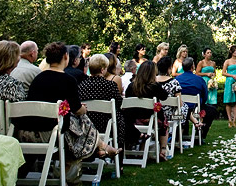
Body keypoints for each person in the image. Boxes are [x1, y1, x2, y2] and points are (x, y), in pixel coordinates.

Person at [14, 41, 119, 183]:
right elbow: (77, 110)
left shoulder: (38, 78)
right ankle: (99, 149)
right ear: (65, 57)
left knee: (74, 126)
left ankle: (100, 147)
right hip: (50, 133)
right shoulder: (68, 80)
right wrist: (83, 108)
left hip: (25, 131)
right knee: (80, 123)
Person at [78, 53, 125, 156]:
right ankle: (119, 161)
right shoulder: (110, 85)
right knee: (120, 118)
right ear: (103, 69)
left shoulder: (82, 85)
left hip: (87, 124)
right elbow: (119, 103)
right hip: (105, 124)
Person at [123, 60, 170, 162]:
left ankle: (133, 148)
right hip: (151, 120)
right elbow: (165, 96)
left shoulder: (132, 86)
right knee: (164, 122)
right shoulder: (155, 87)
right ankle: (163, 149)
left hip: (133, 121)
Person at [175, 56, 218, 140]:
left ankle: (182, 134)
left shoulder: (177, 79)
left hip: (179, 107)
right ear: (192, 67)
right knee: (212, 110)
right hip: (194, 107)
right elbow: (205, 96)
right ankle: (202, 135)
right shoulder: (199, 80)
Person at [222, 45, 236, 127]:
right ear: (231, 51)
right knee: (228, 100)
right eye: (235, 50)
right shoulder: (227, 61)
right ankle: (229, 120)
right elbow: (223, 72)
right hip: (229, 81)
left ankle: (234, 120)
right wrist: (232, 76)